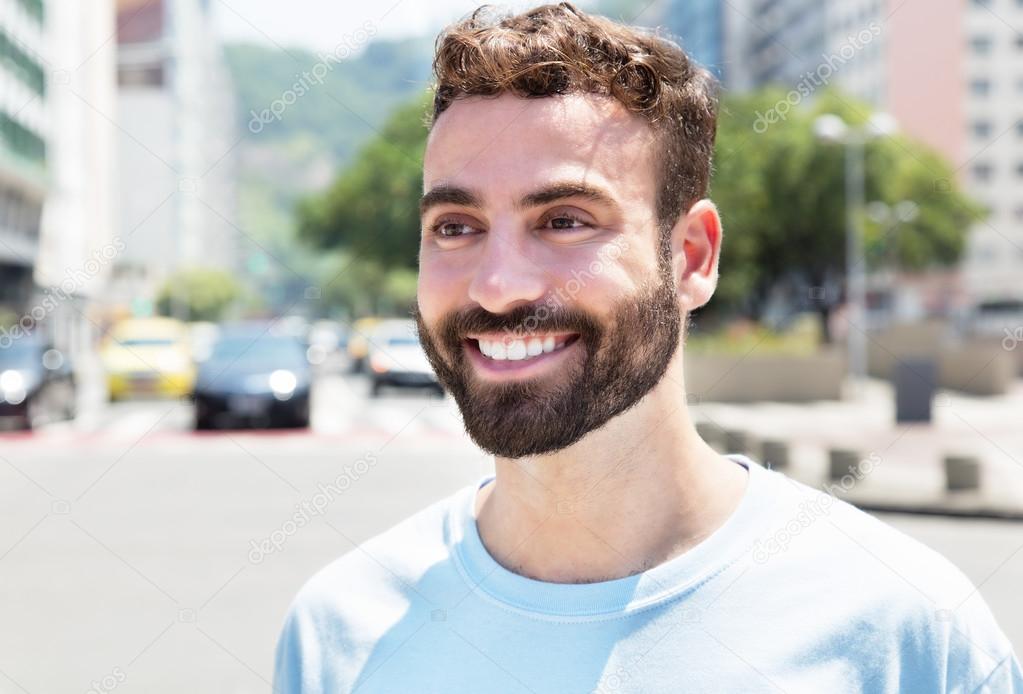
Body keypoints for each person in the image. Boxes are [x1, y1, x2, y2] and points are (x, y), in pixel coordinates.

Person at [273, 4, 1023, 692]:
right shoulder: (340, 634)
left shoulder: (906, 629)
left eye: (564, 221)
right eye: (455, 227)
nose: (497, 287)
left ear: (691, 257)